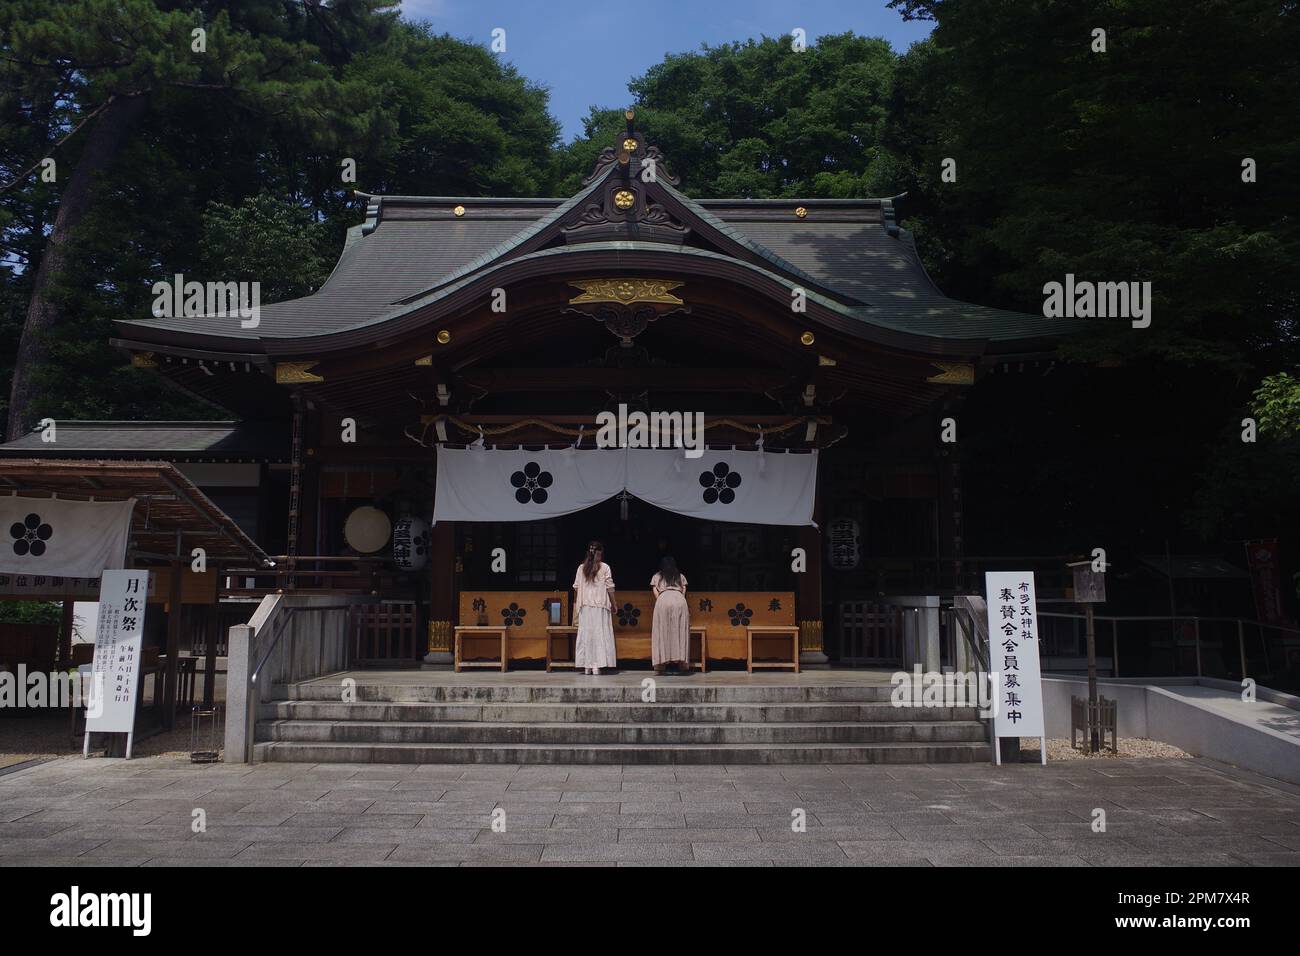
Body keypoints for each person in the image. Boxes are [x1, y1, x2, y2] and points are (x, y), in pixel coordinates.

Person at [572, 540, 617, 675]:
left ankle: (587, 666)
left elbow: (576, 588)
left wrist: (578, 602)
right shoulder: (605, 567)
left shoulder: (581, 568)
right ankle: (597, 665)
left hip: (585, 605)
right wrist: (614, 604)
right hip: (600, 605)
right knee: (599, 634)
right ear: (600, 552)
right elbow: (610, 587)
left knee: (587, 634)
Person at [650, 555, 690, 675]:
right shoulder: (680, 576)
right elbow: (684, 590)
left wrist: (661, 600)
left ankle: (663, 664)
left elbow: (655, 591)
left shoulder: (657, 576)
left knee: (663, 631)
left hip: (663, 599)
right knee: (679, 631)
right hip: (679, 600)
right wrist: (680, 599)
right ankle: (679, 664)